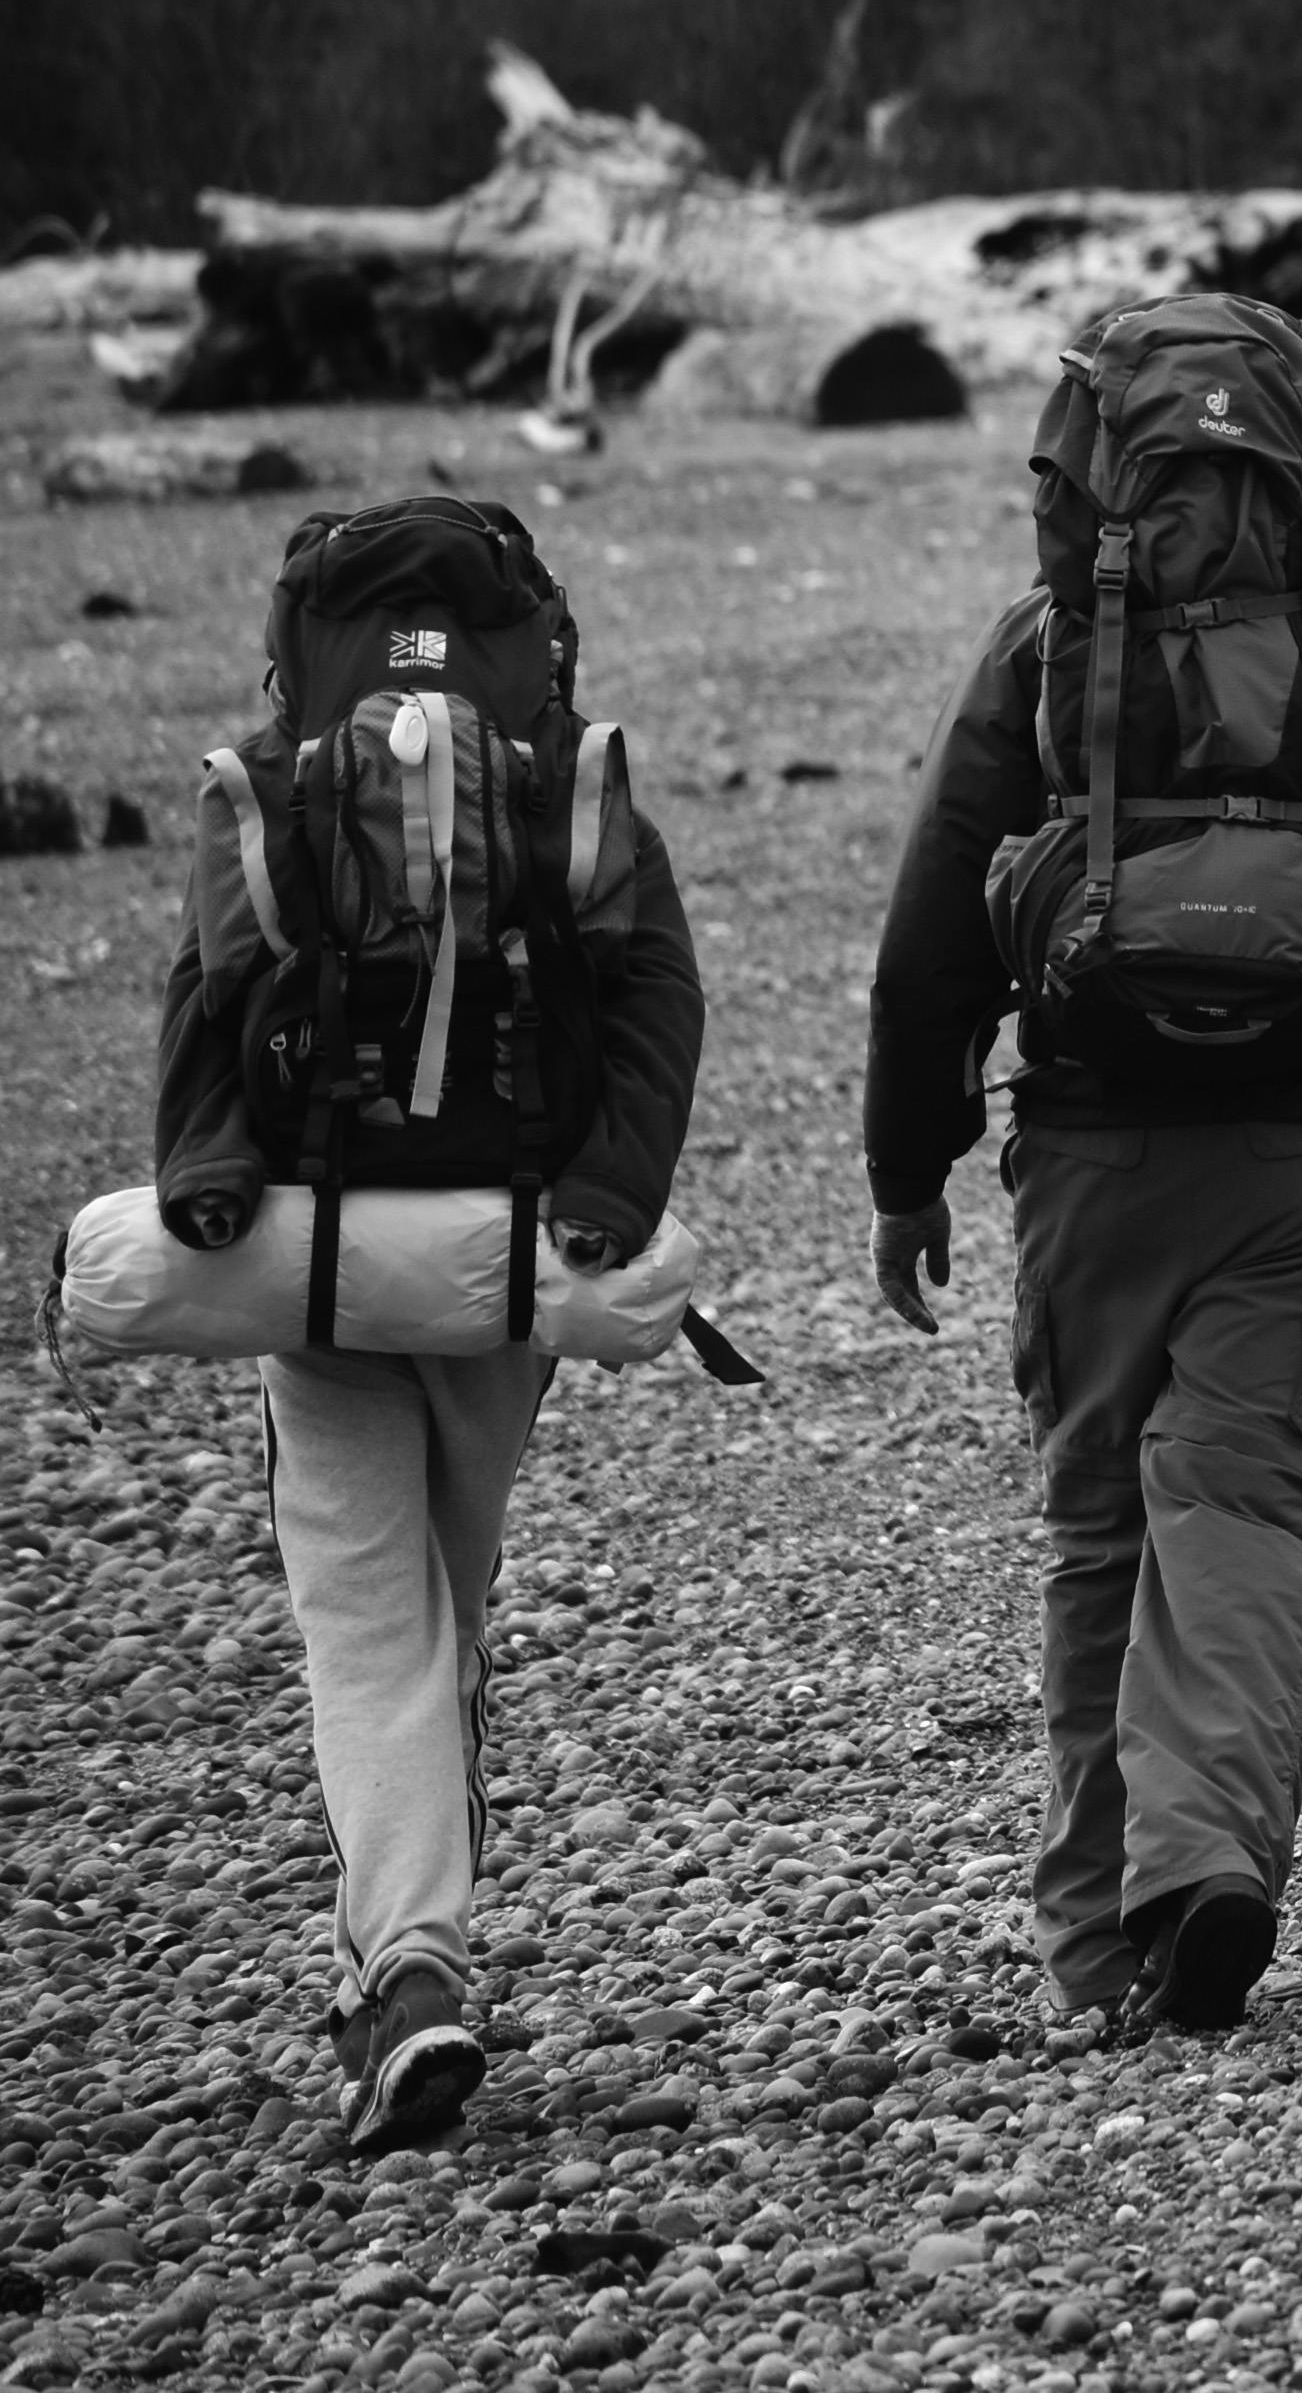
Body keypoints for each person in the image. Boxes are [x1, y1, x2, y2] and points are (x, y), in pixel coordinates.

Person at [863, 296, 1302, 2032]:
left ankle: (1094, 1954)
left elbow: (934, 933)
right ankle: (1205, 1871)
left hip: (1090, 1163)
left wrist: (908, 1166)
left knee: (1097, 1539)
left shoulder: (1039, 659)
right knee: (1238, 1514)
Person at [151, 498, 707, 2148]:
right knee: (442, 1616)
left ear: (301, 653)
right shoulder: (561, 789)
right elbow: (659, 990)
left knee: (362, 1623)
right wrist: (611, 1185)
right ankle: (407, 1964)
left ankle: (405, 1968)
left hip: (312, 1255)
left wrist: (204, 1174)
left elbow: (204, 986)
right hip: (510, 1252)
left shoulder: (276, 788)